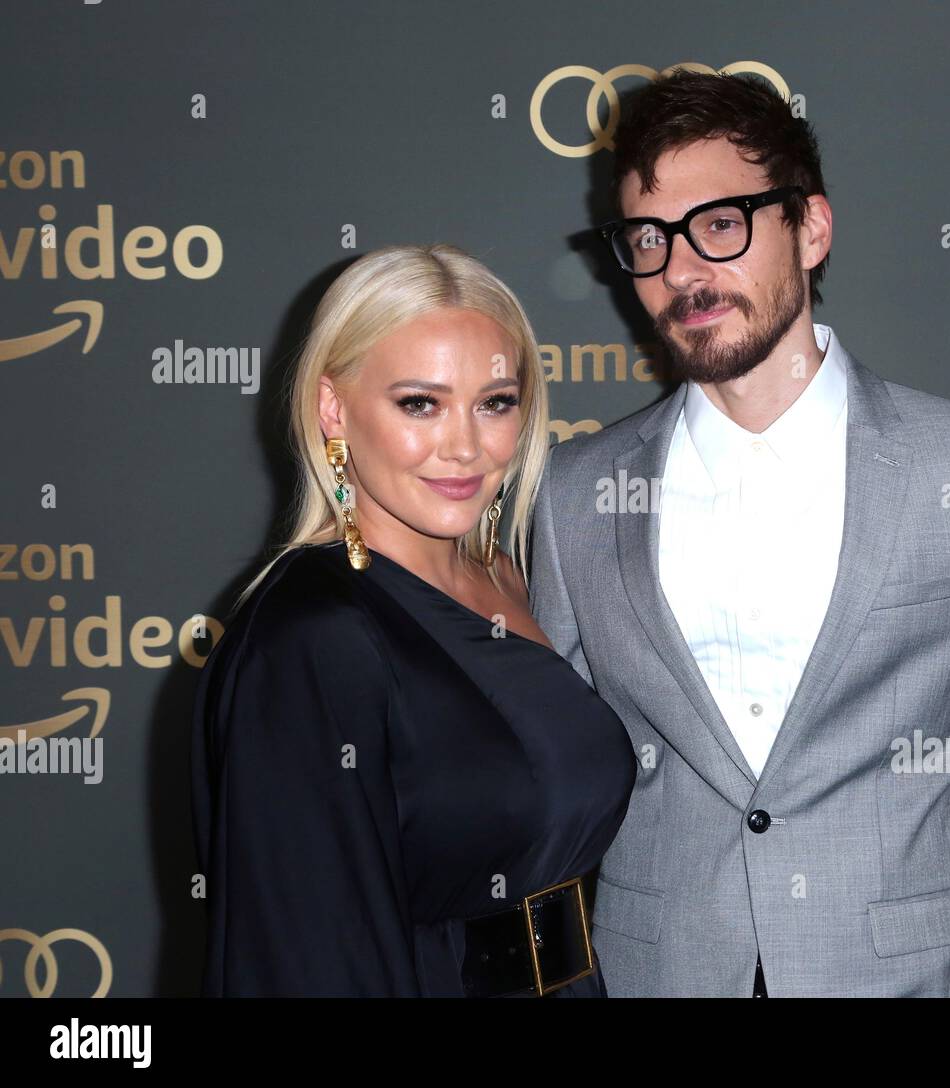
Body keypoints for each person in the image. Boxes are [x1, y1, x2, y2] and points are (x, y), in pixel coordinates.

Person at [529, 71, 950, 997]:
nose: (683, 271)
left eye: (722, 224)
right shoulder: (576, 495)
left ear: (810, 228)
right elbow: (546, 795)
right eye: (648, 240)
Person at [191, 243, 635, 996]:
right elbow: (303, 960)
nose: (464, 446)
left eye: (495, 403)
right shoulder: (314, 636)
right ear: (334, 408)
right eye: (419, 403)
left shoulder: (509, 576)